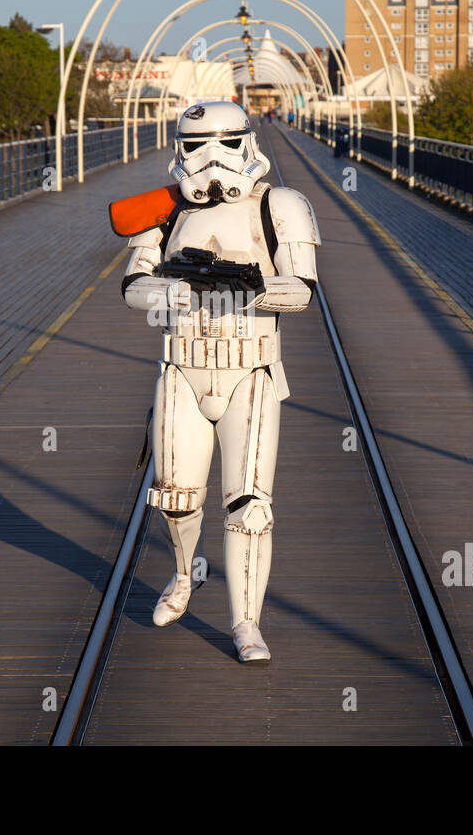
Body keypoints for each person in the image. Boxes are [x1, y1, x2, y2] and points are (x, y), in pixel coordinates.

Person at [114, 101, 321, 663]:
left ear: (246, 143)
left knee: (249, 505)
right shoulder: (166, 211)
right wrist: (167, 292)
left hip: (250, 369)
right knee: (175, 497)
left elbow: (302, 287)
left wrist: (257, 288)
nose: (210, 159)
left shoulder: (280, 207)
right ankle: (184, 575)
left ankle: (246, 623)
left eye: (224, 144)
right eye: (195, 145)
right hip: (181, 366)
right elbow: (133, 282)